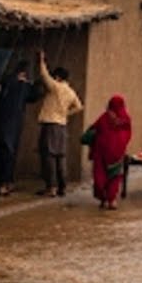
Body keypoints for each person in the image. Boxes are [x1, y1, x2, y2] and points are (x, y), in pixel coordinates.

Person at [36, 50, 84, 197]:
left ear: (57, 77)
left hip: (50, 124)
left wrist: (41, 60)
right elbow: (79, 106)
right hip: (62, 126)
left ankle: (51, 187)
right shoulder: (70, 91)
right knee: (60, 156)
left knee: (48, 156)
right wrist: (65, 114)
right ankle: (62, 186)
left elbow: (44, 75)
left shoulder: (56, 87)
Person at [0, 60, 40, 196]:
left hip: (0, 121)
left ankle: (1, 181)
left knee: (2, 151)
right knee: (9, 153)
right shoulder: (23, 86)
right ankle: (4, 183)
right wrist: (35, 84)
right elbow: (34, 96)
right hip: (13, 123)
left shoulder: (5, 81)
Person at [87, 94, 132, 210]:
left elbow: (94, 128)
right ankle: (111, 200)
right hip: (116, 155)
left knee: (100, 176)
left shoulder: (105, 117)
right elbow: (128, 134)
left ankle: (104, 199)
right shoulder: (125, 119)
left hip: (102, 153)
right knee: (114, 177)